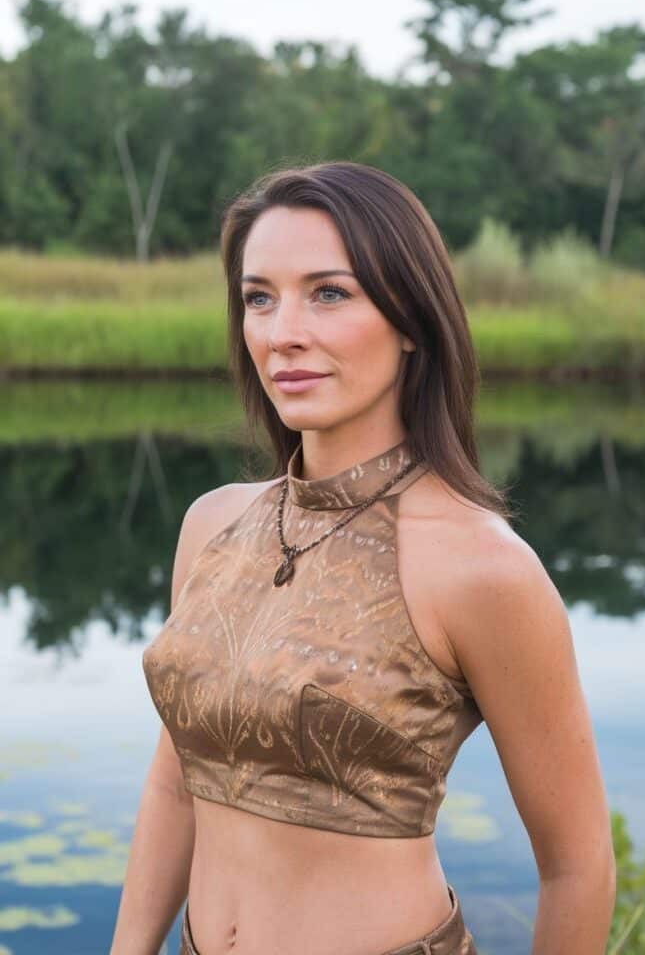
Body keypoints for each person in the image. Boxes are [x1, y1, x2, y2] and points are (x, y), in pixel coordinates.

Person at [110, 161, 616, 955]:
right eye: (258, 297)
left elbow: (575, 865)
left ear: (410, 318)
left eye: (329, 292)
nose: (282, 333)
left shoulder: (481, 568)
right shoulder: (211, 524)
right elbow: (176, 780)